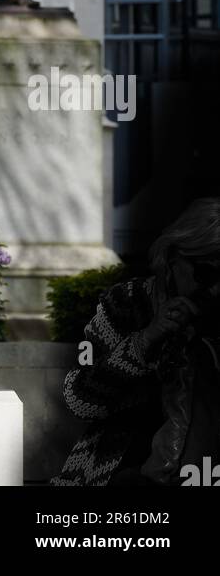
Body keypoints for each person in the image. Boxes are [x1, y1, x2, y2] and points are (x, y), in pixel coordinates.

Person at [52, 198, 220, 485]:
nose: (216, 289)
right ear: (173, 257)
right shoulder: (126, 304)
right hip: (124, 471)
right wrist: (144, 341)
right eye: (206, 273)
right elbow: (80, 402)